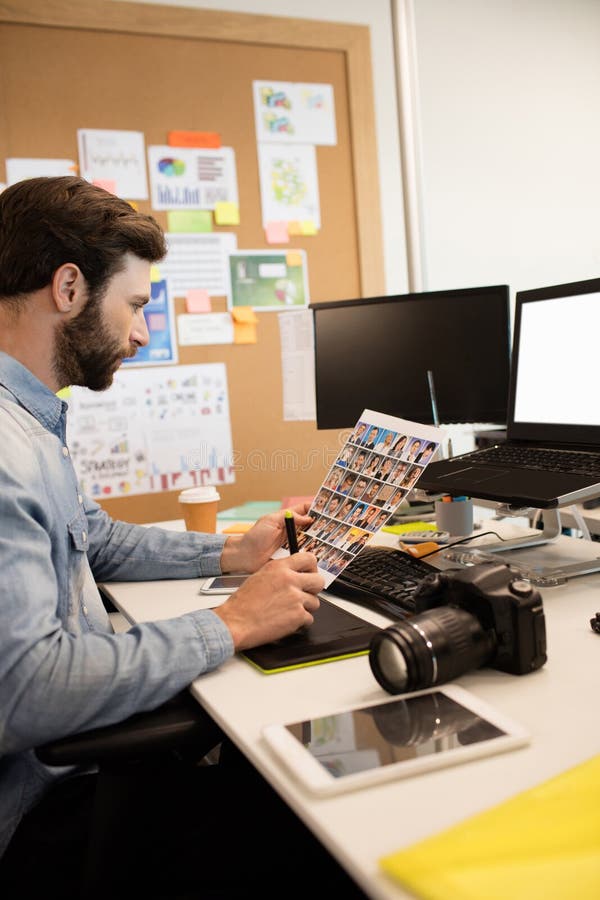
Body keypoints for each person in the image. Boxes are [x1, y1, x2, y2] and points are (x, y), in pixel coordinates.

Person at [0, 177, 364, 898]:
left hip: (74, 774)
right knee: (329, 825)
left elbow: (93, 538)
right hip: (46, 820)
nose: (140, 332)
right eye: (135, 305)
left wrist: (233, 554)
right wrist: (231, 622)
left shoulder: (29, 421)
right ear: (69, 288)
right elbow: (25, 693)